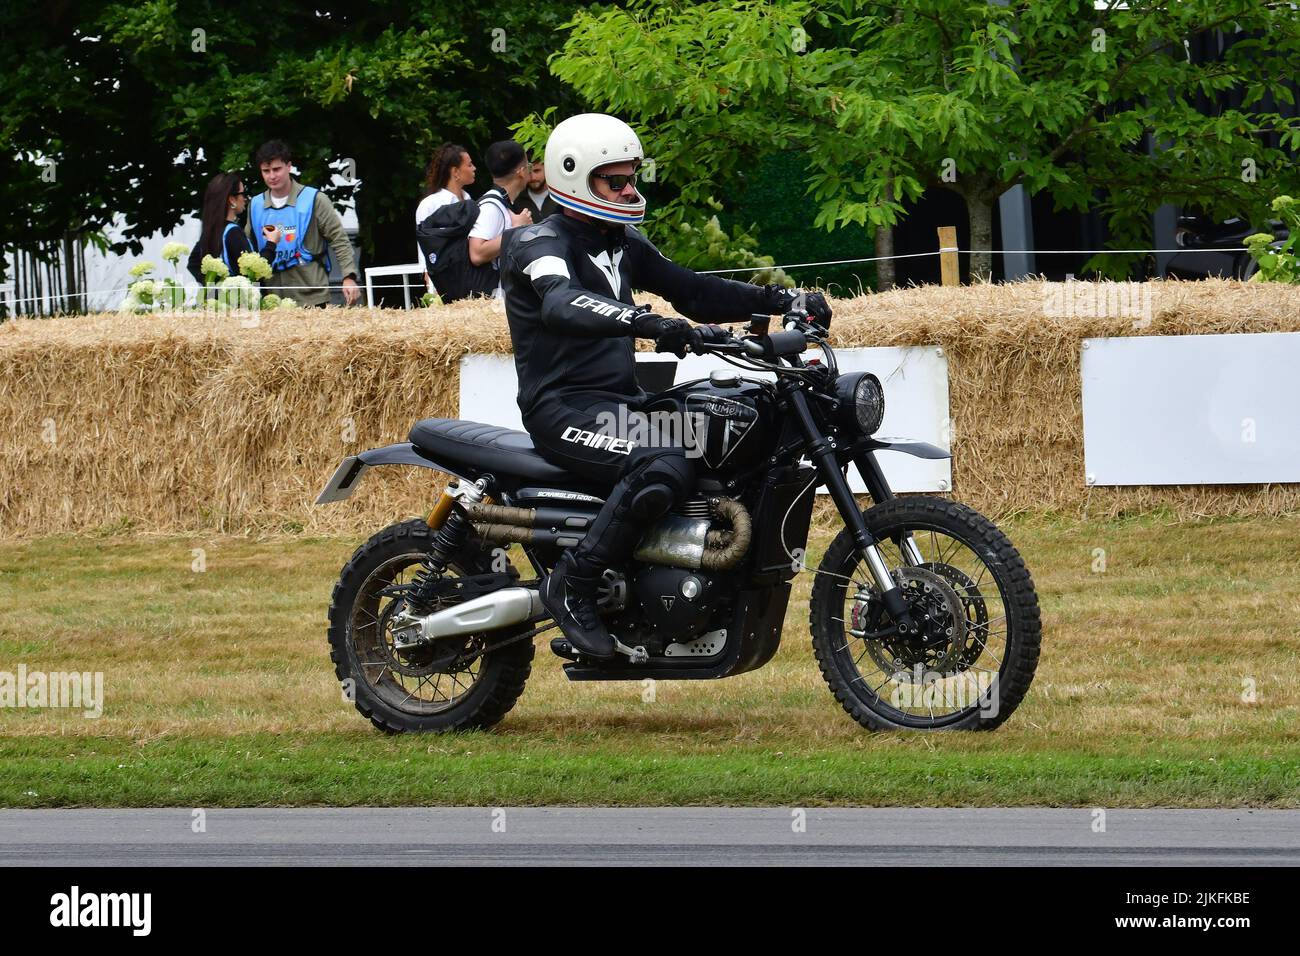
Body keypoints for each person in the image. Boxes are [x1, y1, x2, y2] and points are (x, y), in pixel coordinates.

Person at [499, 113, 831, 660]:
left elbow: (692, 290)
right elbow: (560, 302)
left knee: (714, 431)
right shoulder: (538, 242)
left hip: (619, 403)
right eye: (617, 181)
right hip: (562, 410)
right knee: (663, 465)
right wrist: (649, 323)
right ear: (576, 178)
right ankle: (574, 584)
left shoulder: (624, 243)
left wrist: (781, 300)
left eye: (633, 178)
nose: (631, 190)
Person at [245, 140, 360, 307]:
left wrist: (349, 277)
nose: (272, 176)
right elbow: (247, 249)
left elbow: (339, 239)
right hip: (270, 299)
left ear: (289, 166)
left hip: (312, 296)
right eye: (266, 171)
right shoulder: (255, 205)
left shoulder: (315, 199)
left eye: (277, 169)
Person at [186, 172, 281, 283]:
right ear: (232, 200)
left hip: (217, 299)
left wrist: (215, 287)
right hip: (240, 299)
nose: (245, 198)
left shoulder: (211, 230)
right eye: (243, 193)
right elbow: (255, 272)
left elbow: (193, 264)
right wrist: (271, 243)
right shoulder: (233, 232)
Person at [466, 140, 534, 292]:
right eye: (529, 166)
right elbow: (476, 253)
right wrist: (517, 228)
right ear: (521, 172)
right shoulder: (491, 207)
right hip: (490, 299)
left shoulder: (501, 203)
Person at [415, 143, 475, 287]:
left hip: (471, 274)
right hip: (443, 275)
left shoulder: (469, 200)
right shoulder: (430, 204)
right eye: (469, 165)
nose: (474, 168)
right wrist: (428, 273)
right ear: (455, 172)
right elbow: (424, 244)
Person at [514, 155, 559, 222]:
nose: (533, 177)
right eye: (528, 173)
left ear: (546, 169)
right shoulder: (516, 200)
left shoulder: (559, 197)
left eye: (537, 171)